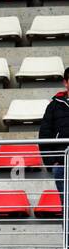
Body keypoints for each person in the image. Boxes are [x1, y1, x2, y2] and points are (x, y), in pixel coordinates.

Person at [39, 68, 69, 211]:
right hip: (62, 164)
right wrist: (53, 162)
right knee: (67, 207)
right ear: (66, 83)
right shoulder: (54, 106)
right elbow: (44, 135)